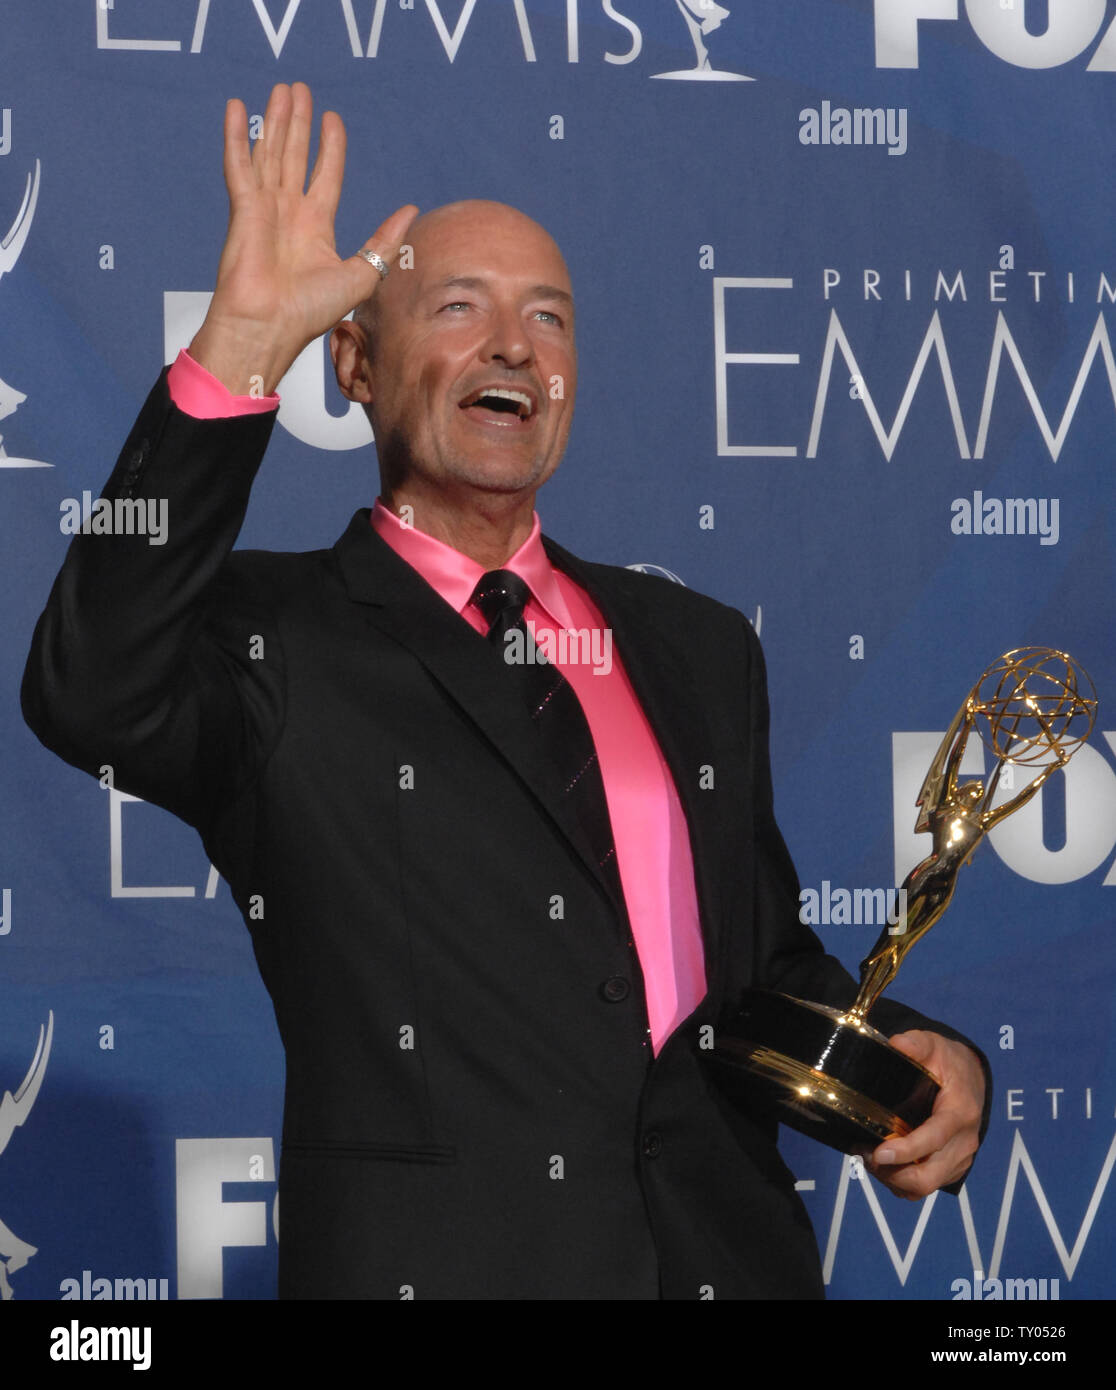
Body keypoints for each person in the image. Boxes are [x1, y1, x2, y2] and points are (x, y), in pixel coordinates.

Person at [22, 82, 986, 1300]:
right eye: (460, 309)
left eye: (550, 318)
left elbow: (758, 974)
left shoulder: (694, 648)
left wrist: (922, 1065)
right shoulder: (273, 635)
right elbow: (87, 691)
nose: (515, 347)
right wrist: (238, 354)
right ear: (356, 363)